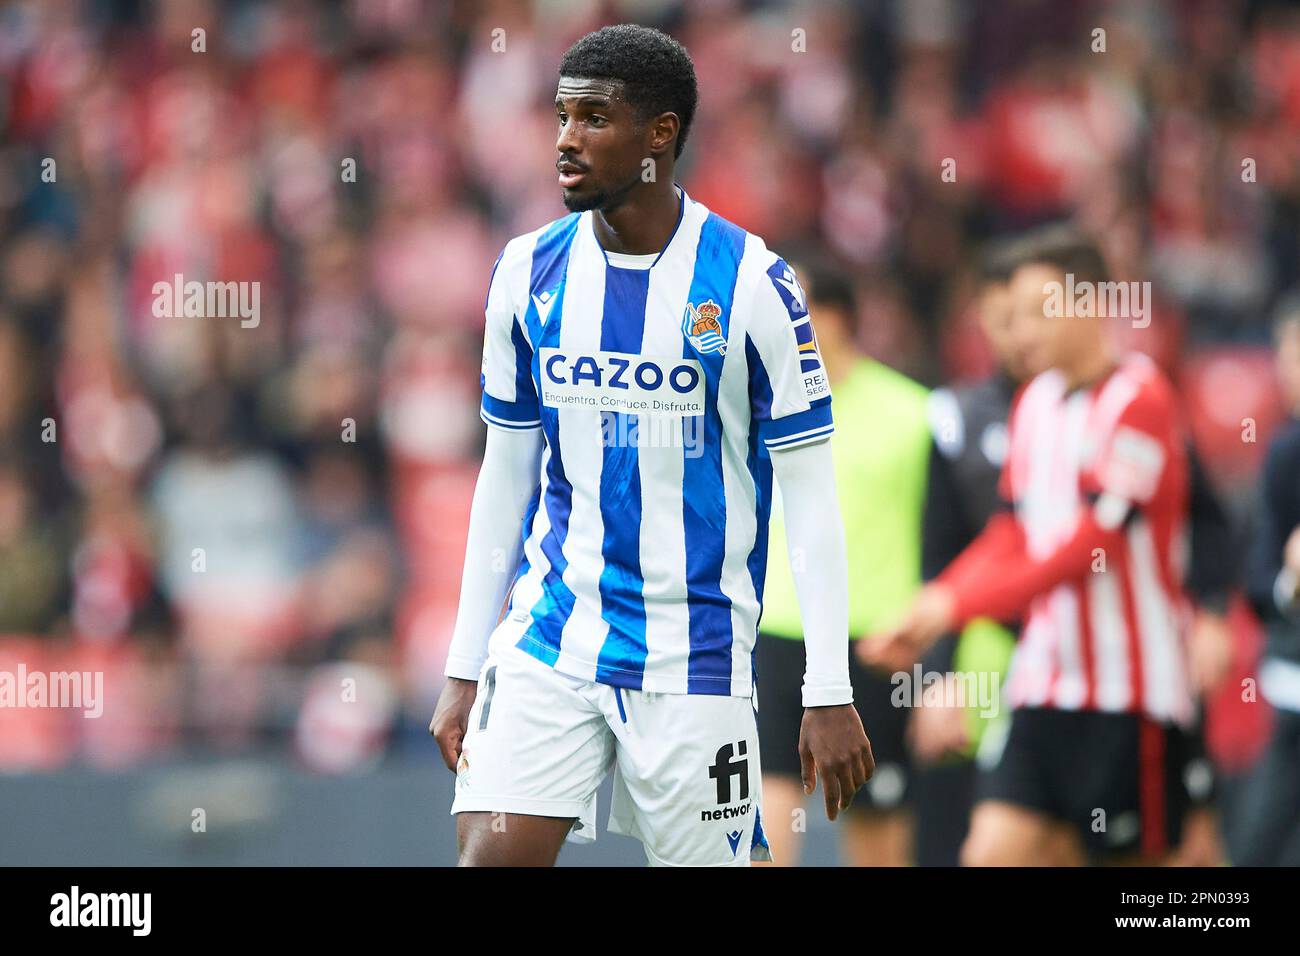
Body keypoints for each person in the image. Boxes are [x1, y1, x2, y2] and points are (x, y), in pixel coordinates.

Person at [428, 24, 872, 867]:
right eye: (561, 116)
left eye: (594, 118)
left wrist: (828, 687)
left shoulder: (752, 285)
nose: (566, 139)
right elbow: (506, 471)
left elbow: (811, 497)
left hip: (694, 658)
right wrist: (465, 661)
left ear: (659, 135)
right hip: (550, 638)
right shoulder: (525, 273)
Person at [870, 229, 1199, 865]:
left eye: (1041, 310)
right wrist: (938, 599)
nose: (1022, 331)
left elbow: (1086, 548)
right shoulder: (1034, 404)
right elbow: (1011, 532)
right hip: (1042, 686)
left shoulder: (1142, 400)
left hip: (1130, 698)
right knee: (989, 854)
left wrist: (953, 608)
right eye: (1015, 315)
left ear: (1095, 303)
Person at [754, 262, 930, 866]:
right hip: (774, 636)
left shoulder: (914, 415)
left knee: (879, 832)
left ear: (835, 316)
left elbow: (943, 537)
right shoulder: (757, 406)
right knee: (764, 827)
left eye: (797, 308)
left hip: (878, 643)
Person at [1238, 294, 1300, 865]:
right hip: (1292, 691)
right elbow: (1257, 583)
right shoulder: (1284, 456)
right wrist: (1291, 578)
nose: (1286, 370)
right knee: (1254, 850)